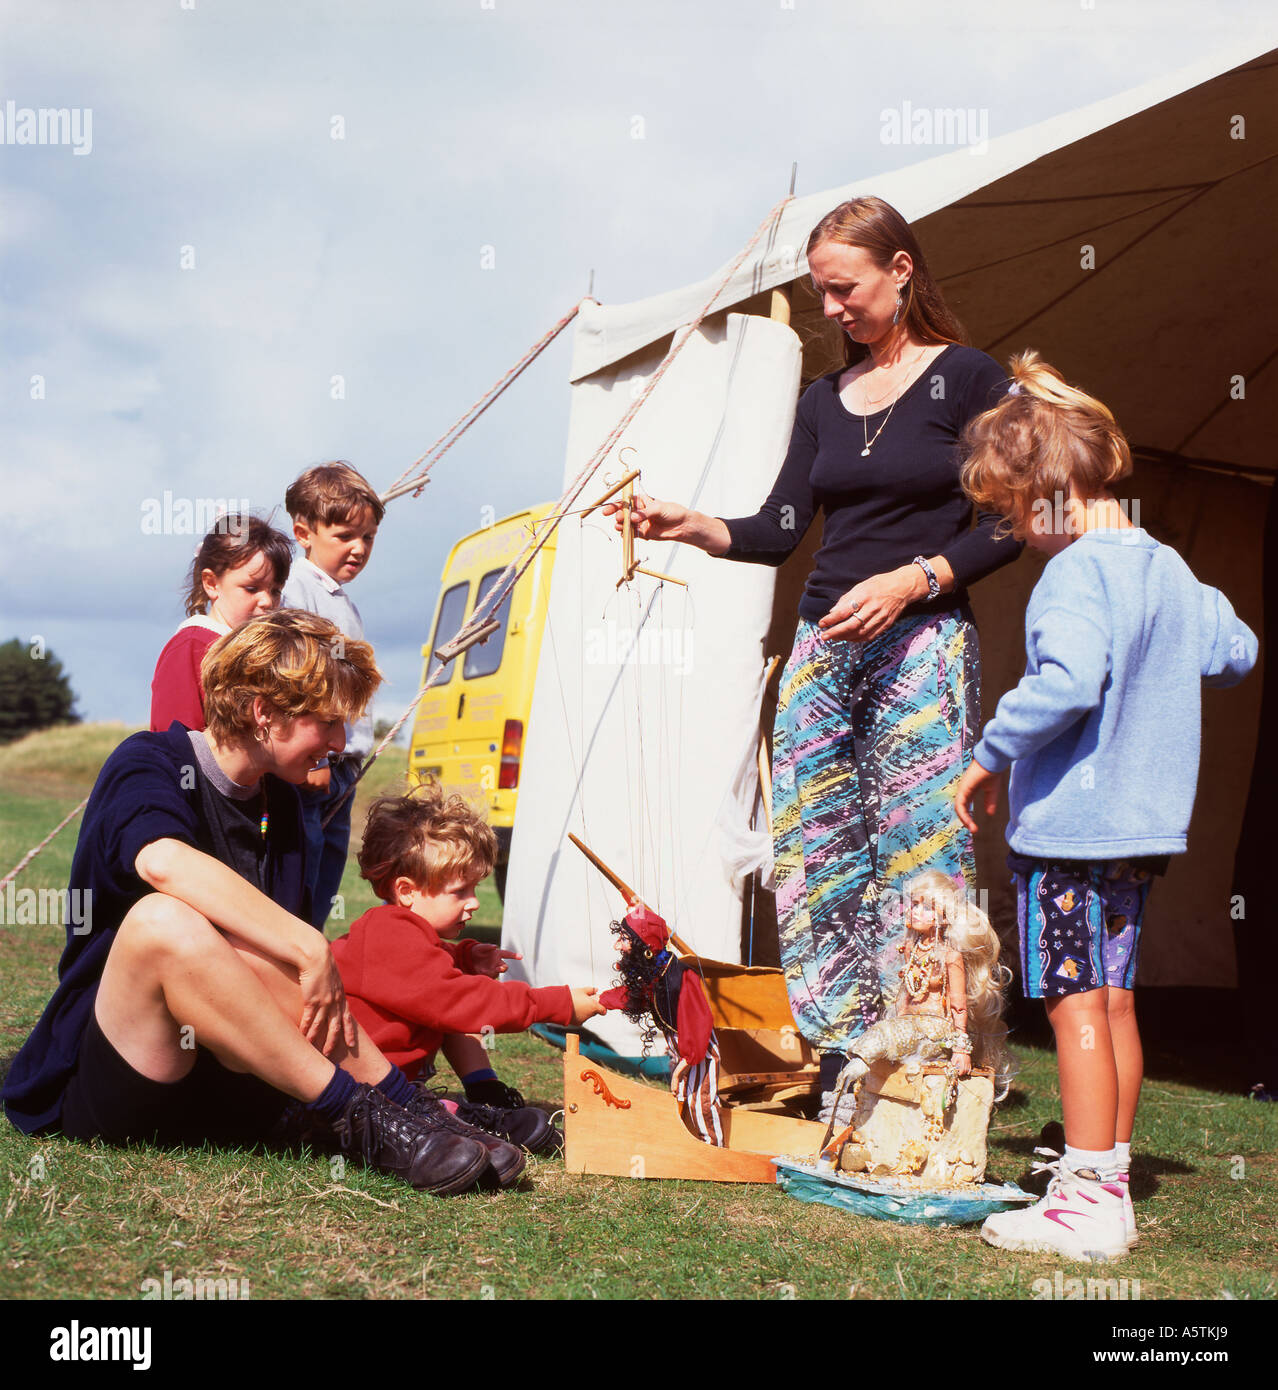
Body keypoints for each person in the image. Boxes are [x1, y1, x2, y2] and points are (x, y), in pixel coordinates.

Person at [608, 197, 1021, 1115]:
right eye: (821, 292)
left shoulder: (971, 378)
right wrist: (692, 524)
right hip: (822, 653)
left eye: (846, 288)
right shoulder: (822, 402)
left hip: (921, 646)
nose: (832, 308)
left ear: (901, 270)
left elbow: (1013, 521)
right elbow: (783, 527)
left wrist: (919, 579)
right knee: (816, 858)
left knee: (922, 858)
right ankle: (843, 1061)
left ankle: (929, 1065)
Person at [3, 610, 525, 1196]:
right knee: (165, 921)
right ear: (263, 712)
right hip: (122, 1070)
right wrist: (307, 946)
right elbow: (160, 861)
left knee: (261, 948)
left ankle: (410, 1116)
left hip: (227, 1089)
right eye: (326, 722)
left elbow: (280, 976)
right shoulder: (149, 761)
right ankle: (361, 1118)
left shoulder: (283, 807)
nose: (338, 742)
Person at [953, 352, 1258, 1261]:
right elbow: (1235, 648)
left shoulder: (1077, 572)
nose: (1017, 534)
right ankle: (1105, 1173)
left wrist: (988, 754)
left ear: (1046, 490)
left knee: (1075, 1008)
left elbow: (1068, 681)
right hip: (1142, 831)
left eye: (1011, 515)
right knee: (1116, 1002)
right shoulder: (1165, 565)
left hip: (1075, 831)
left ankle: (1085, 1210)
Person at [331, 784, 607, 1153]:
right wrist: (557, 1005)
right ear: (407, 890)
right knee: (458, 1001)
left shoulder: (399, 932)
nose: (474, 903)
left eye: (475, 888)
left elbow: (426, 971)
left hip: (384, 1088)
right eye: (460, 891)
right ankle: (460, 1115)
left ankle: (480, 1095)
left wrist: (464, 958)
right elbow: (456, 1001)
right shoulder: (388, 933)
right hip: (362, 1094)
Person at [281, 462, 384, 929]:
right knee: (298, 880)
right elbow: (301, 679)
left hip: (342, 769)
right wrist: (316, 760)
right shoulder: (297, 587)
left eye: (368, 538)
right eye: (345, 535)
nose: (359, 548)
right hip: (313, 769)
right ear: (304, 532)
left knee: (323, 882)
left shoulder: (342, 597)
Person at [150, 512, 293, 732]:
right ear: (212, 583)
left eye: (275, 591)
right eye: (251, 588)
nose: (267, 601)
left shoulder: (269, 653)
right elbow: (175, 741)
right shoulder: (191, 647)